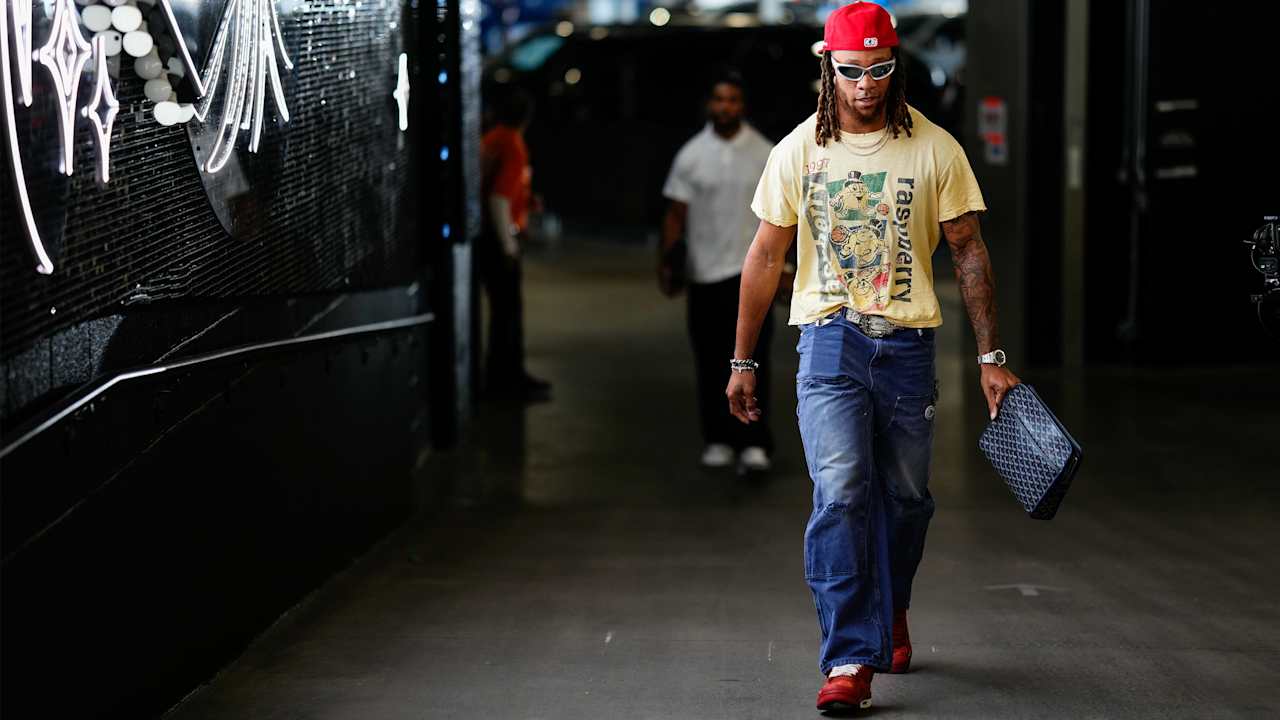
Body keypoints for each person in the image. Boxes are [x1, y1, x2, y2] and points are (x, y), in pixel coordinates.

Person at [724, 2, 1021, 712]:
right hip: (829, 339)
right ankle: (849, 658)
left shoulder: (935, 148)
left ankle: (890, 605)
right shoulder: (798, 151)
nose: (866, 85)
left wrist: (991, 355)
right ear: (828, 66)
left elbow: (969, 251)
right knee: (842, 492)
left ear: (896, 66)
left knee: (908, 499)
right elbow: (766, 255)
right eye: (852, 71)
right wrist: (742, 360)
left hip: (909, 346)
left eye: (880, 69)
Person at [659, 70, 779, 472]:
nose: (725, 107)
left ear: (742, 106)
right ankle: (718, 439)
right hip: (705, 276)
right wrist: (668, 261)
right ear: (709, 105)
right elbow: (675, 215)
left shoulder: (766, 152)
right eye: (719, 99)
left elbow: (787, 217)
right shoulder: (691, 155)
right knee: (710, 363)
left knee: (755, 362)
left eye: (732, 100)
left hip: (752, 279)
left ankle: (754, 442)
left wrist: (787, 269)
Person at [480, 88, 551, 402]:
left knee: (502, 312)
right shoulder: (513, 145)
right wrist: (508, 244)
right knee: (508, 313)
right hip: (498, 241)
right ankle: (509, 380)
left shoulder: (493, 138)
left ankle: (504, 376)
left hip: (487, 236)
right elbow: (498, 198)